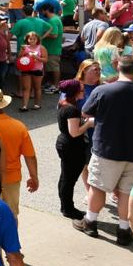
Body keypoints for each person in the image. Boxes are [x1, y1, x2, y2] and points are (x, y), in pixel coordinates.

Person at [74, 56, 133, 246]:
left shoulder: (103, 90)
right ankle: (124, 230)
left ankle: (90, 222)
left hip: (107, 149)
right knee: (127, 192)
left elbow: (85, 112)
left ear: (118, 68)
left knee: (98, 186)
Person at [0, 89, 38, 217]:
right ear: (4, 104)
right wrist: (34, 177)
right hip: (11, 178)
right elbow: (30, 156)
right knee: (10, 216)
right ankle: (10, 237)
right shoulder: (19, 126)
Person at [56, 79, 95, 220]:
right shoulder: (71, 109)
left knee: (65, 177)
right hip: (71, 146)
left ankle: (65, 206)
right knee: (69, 179)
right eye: (82, 90)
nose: (84, 92)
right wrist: (88, 124)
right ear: (76, 92)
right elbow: (75, 132)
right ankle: (68, 208)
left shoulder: (64, 103)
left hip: (66, 144)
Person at [15, 31, 46, 111]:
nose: (32, 41)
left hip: (37, 69)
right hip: (26, 69)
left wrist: (36, 57)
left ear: (37, 40)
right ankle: (24, 106)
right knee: (26, 88)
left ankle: (36, 104)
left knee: (37, 88)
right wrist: (22, 51)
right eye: (30, 39)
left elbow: (45, 60)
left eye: (34, 39)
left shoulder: (41, 48)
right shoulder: (24, 47)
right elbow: (19, 58)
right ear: (27, 39)